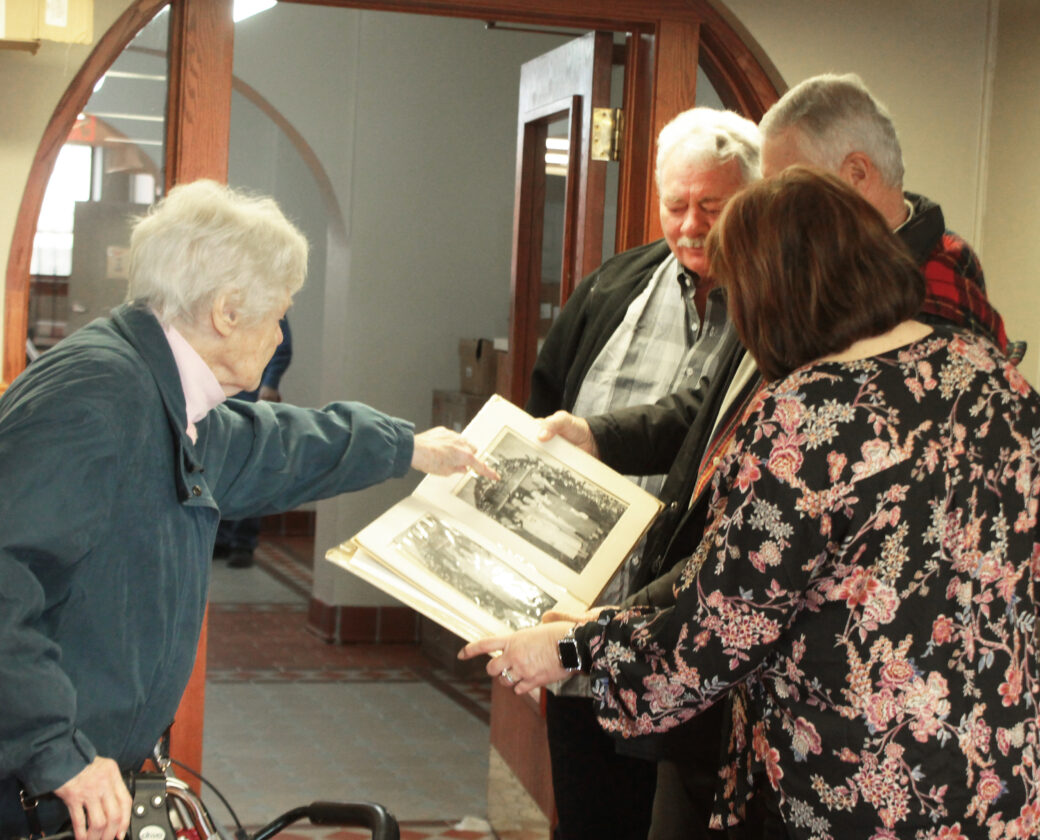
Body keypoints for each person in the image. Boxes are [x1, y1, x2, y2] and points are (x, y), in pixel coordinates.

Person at [462, 166, 1040, 840]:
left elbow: (716, 636)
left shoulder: (808, 412)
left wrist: (571, 647)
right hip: (996, 770)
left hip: (858, 785)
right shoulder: (991, 374)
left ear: (775, 295)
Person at [0, 179, 496, 840]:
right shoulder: (101, 396)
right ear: (229, 312)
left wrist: (406, 446)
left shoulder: (161, 394)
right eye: (279, 312)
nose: (282, 332)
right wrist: (53, 751)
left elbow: (275, 446)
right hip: (34, 791)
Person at [526, 106, 761, 840]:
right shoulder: (613, 285)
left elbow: (695, 418)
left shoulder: (773, 305)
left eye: (712, 207)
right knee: (589, 817)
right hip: (583, 621)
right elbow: (549, 397)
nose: (690, 224)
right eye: (675, 204)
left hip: (685, 638)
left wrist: (597, 433)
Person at [214, 316, 292, 568]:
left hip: (252, 400)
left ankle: (243, 543)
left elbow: (282, 346)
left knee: (251, 470)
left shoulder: (264, 298)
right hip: (220, 398)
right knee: (221, 470)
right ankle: (221, 538)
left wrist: (270, 384)